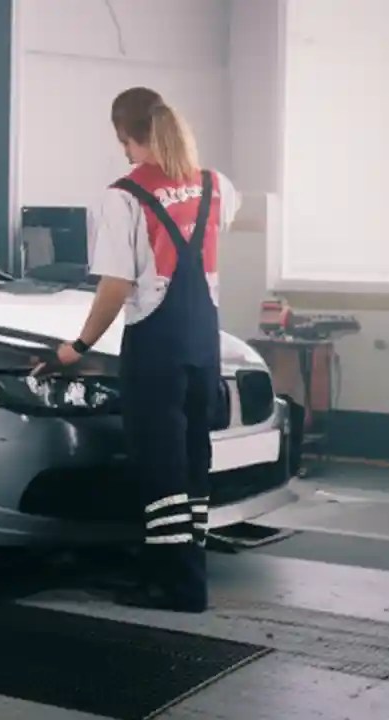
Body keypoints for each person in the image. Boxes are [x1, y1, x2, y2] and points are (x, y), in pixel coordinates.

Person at [39, 87, 239, 613]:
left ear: (126, 135)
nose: (124, 151)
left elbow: (115, 287)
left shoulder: (124, 194)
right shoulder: (217, 186)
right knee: (196, 458)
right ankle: (189, 576)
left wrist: (76, 347)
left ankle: (174, 588)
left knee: (161, 465)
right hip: (204, 342)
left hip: (156, 345)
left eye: (122, 141)